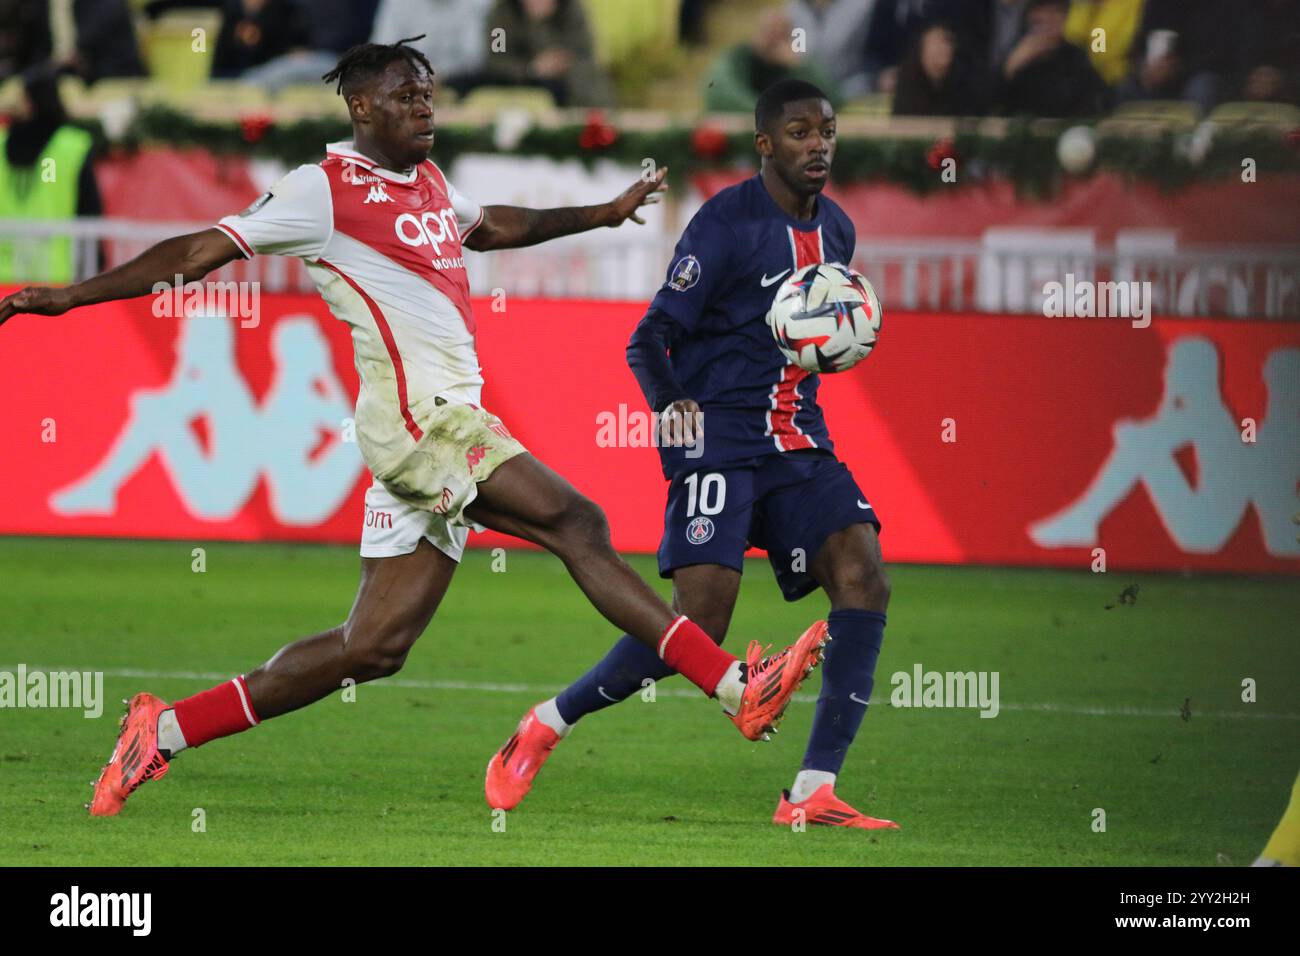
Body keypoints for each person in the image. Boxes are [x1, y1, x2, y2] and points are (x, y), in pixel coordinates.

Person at [0, 38, 828, 817]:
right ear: (362, 107)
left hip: (439, 425)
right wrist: (73, 296)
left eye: (428, 94)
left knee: (374, 647)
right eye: (406, 95)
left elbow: (494, 226)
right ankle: (732, 686)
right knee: (577, 522)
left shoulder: (426, 181)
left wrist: (602, 213)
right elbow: (199, 252)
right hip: (420, 424)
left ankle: (164, 730)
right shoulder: (320, 190)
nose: (425, 106)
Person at [484, 79, 899, 831]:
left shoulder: (837, 232)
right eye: (801, 133)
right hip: (713, 435)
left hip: (797, 436)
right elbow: (649, 338)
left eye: (828, 131)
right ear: (766, 144)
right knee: (698, 628)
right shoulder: (726, 223)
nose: (819, 145)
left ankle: (811, 790)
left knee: (863, 576)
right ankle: (548, 721)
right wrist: (673, 406)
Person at [0, 63, 100, 284]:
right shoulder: (72, 145)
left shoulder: (3, 143)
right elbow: (90, 211)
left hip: (6, 274)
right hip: (55, 277)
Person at [703, 9, 837, 113]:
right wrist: (770, 113)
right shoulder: (738, 58)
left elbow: (831, 100)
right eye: (768, 32)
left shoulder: (796, 65)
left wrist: (799, 66)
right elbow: (719, 93)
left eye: (780, 34)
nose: (773, 40)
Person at [996, 0, 1107, 117]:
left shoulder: (1076, 56)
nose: (1050, 20)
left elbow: (1096, 100)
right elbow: (992, 100)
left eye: (1057, 12)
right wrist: (1012, 65)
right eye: (1043, 12)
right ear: (1030, 16)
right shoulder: (1015, 51)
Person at [892, 21, 985, 116]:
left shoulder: (966, 82)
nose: (941, 50)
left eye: (945, 44)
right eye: (934, 44)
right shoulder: (907, 83)